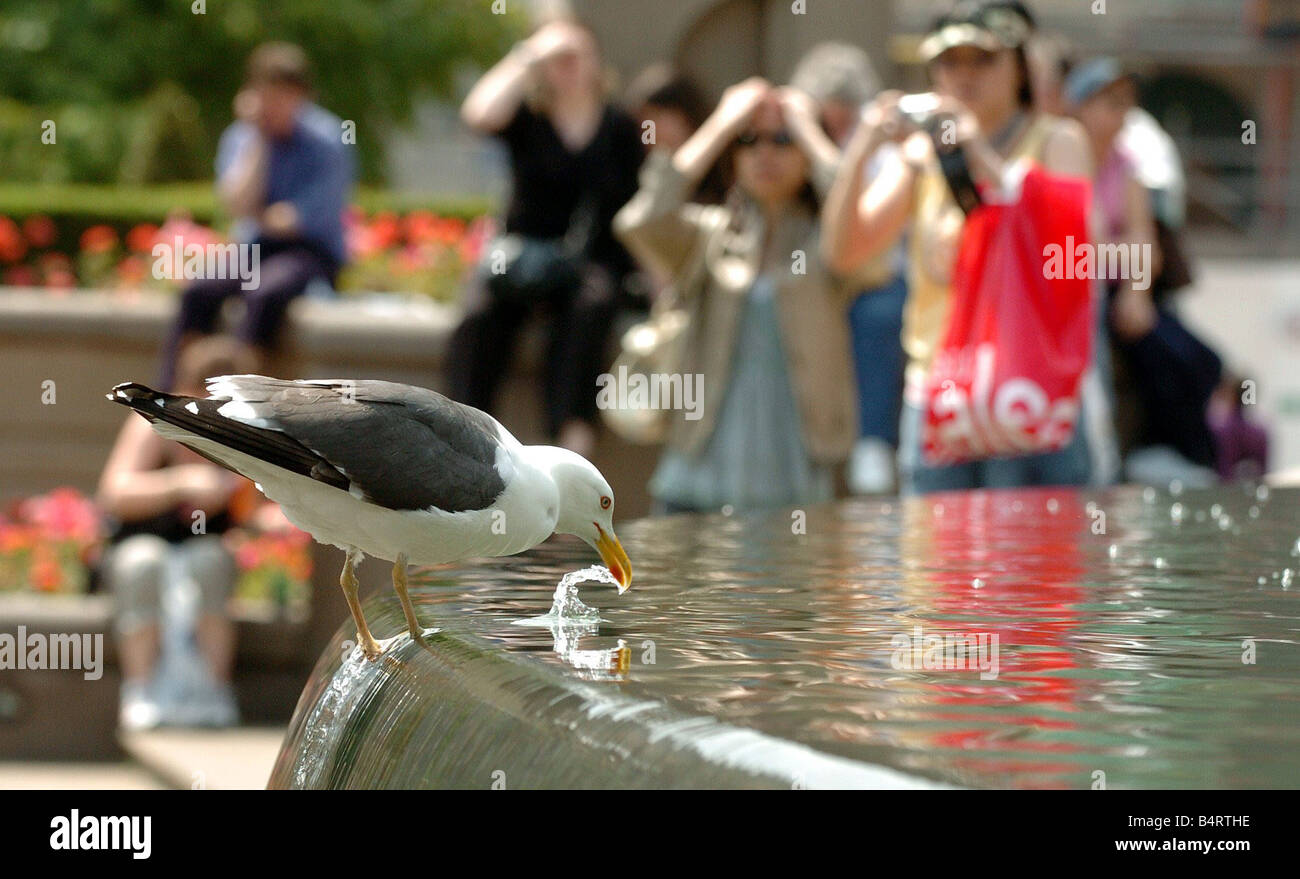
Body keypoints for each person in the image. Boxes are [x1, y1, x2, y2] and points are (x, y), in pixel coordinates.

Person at [823, 0, 1106, 495]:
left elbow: (1072, 260)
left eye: (984, 59)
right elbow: (843, 253)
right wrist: (865, 146)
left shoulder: (1059, 141)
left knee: (1036, 569)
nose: (965, 75)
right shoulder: (920, 157)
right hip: (940, 396)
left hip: (1031, 391)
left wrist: (976, 149)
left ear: (1019, 66)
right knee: (933, 571)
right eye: (951, 62)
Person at [614, 78, 857, 513]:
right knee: (681, 580)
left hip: (792, 469)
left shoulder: (830, 243)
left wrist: (808, 129)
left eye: (783, 140)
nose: (765, 153)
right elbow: (642, 219)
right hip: (697, 461)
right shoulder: (710, 234)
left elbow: (858, 211)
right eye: (749, 140)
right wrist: (721, 124)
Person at [450, 19, 644, 458]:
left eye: (577, 56)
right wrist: (528, 55)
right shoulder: (528, 119)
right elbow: (477, 114)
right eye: (558, 59)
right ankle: (464, 435)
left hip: (590, 260)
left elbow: (635, 207)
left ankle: (571, 446)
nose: (568, 66)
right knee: (480, 313)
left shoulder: (619, 127)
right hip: (522, 258)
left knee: (590, 310)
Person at [157, 42, 354, 391]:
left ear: (301, 96)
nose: (273, 105)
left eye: (283, 96)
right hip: (257, 248)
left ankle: (243, 396)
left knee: (265, 294)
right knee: (198, 291)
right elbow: (235, 202)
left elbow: (293, 221)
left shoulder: (328, 140)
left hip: (310, 253)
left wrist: (258, 213)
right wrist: (259, 140)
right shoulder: (243, 136)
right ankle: (173, 393)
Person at [1066, 57, 1224, 485]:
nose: (1121, 113)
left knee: (1200, 361)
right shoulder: (1062, 157)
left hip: (1118, 294)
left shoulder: (1127, 163)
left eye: (1126, 103)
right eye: (1110, 102)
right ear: (1081, 106)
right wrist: (1116, 257)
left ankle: (1176, 457)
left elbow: (1144, 248)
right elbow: (1066, 255)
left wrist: (1134, 293)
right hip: (1073, 298)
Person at [99, 336, 256, 730]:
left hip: (201, 550)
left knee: (211, 562)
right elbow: (115, 493)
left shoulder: (243, 435)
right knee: (143, 563)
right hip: (142, 543)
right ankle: (142, 690)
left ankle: (214, 692)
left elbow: (260, 509)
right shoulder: (154, 425)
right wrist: (182, 483)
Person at [792, 42, 905, 494]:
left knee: (878, 312)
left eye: (846, 111)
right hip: (810, 280)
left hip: (871, 279)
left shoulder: (884, 147)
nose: (838, 122)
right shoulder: (790, 140)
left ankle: (873, 442)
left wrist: (811, 132)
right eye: (827, 113)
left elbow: (848, 208)